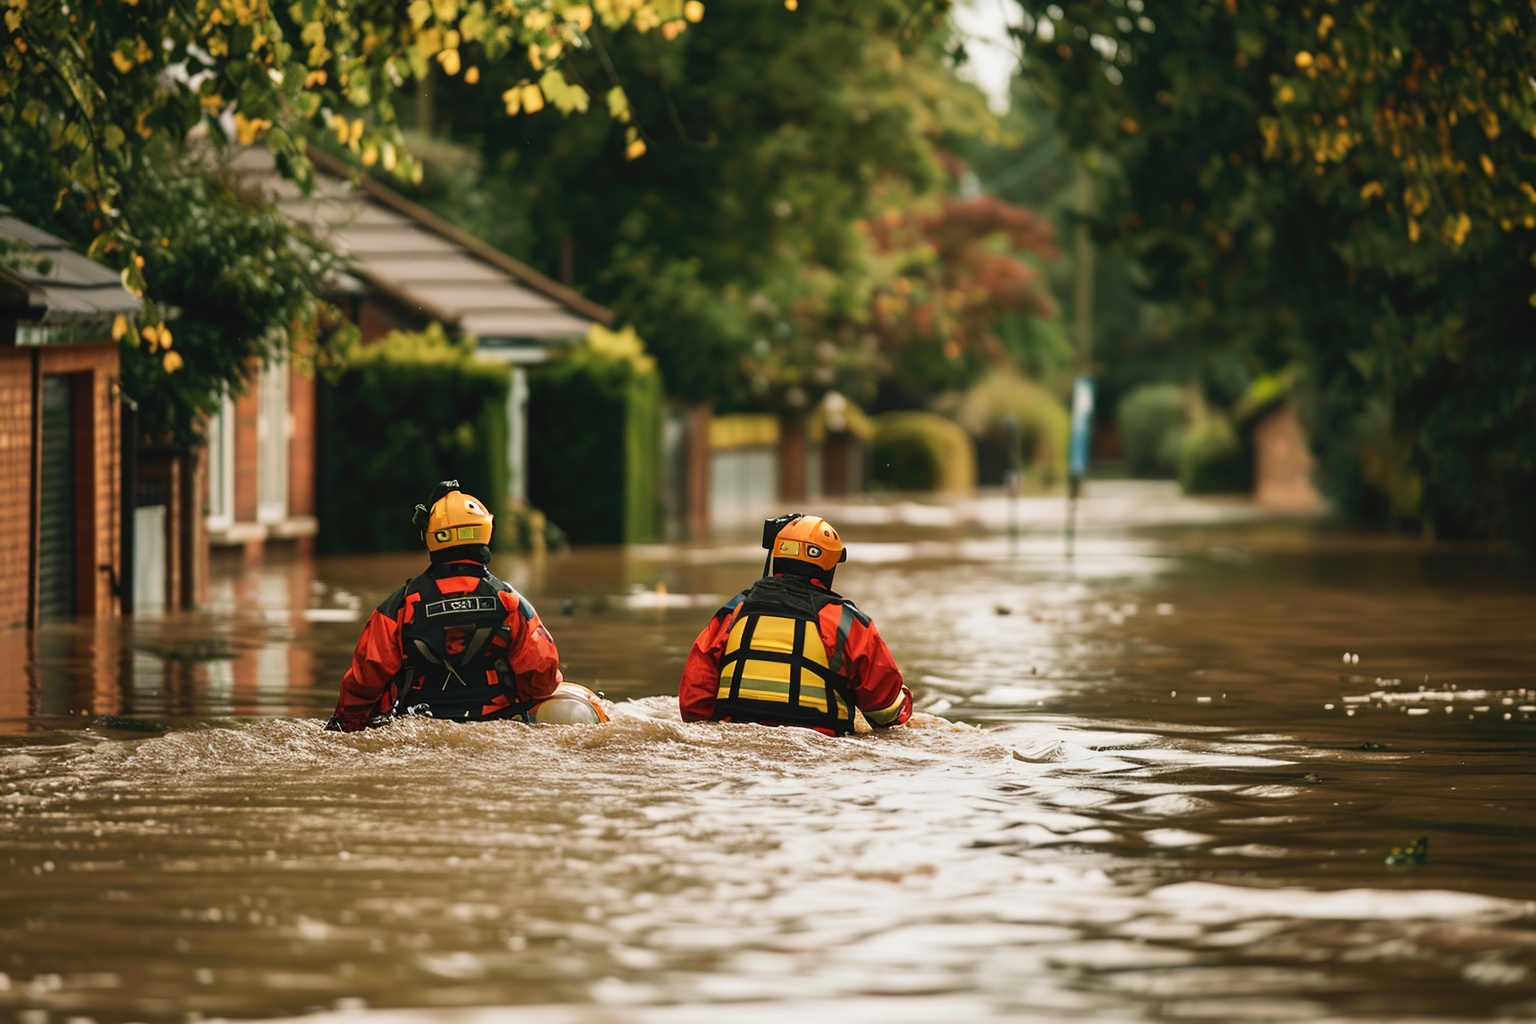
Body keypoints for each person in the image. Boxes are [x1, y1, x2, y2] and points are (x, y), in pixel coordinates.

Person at [326, 480, 596, 731]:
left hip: (417, 733)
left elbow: (362, 684)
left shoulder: (399, 606)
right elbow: (543, 677)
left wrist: (343, 726)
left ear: (431, 536)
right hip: (497, 730)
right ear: (485, 532)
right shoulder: (510, 603)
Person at [678, 512, 913, 735]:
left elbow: (693, 706)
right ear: (830, 565)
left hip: (734, 747)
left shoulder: (733, 612)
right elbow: (886, 712)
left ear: (776, 557)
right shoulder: (846, 621)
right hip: (819, 753)